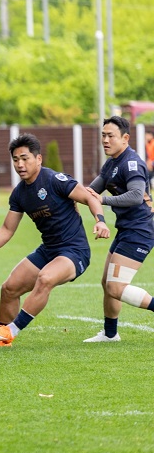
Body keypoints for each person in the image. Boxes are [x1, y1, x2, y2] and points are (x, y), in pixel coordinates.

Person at [0, 133, 110, 347]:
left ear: (38, 159)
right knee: (9, 288)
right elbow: (7, 228)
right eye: (15, 159)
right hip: (48, 250)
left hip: (74, 251)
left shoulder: (54, 180)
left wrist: (101, 220)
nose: (20, 164)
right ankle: (1, 341)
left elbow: (89, 196)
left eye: (25, 158)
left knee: (45, 278)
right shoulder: (19, 194)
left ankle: (10, 332)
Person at [83, 116, 154, 342]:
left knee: (116, 287)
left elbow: (135, 196)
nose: (105, 140)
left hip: (140, 230)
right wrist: (65, 192)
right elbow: (91, 192)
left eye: (110, 135)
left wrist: (103, 202)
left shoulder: (131, 163)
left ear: (125, 138)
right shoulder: (111, 163)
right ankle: (110, 334)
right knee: (107, 283)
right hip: (126, 229)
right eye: (103, 135)